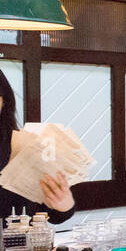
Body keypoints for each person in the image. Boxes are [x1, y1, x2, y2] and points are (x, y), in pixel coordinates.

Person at [0, 72, 75, 224]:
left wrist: (63, 204)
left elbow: (53, 214)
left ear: (4, 101)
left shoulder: (21, 145)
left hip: (20, 246)